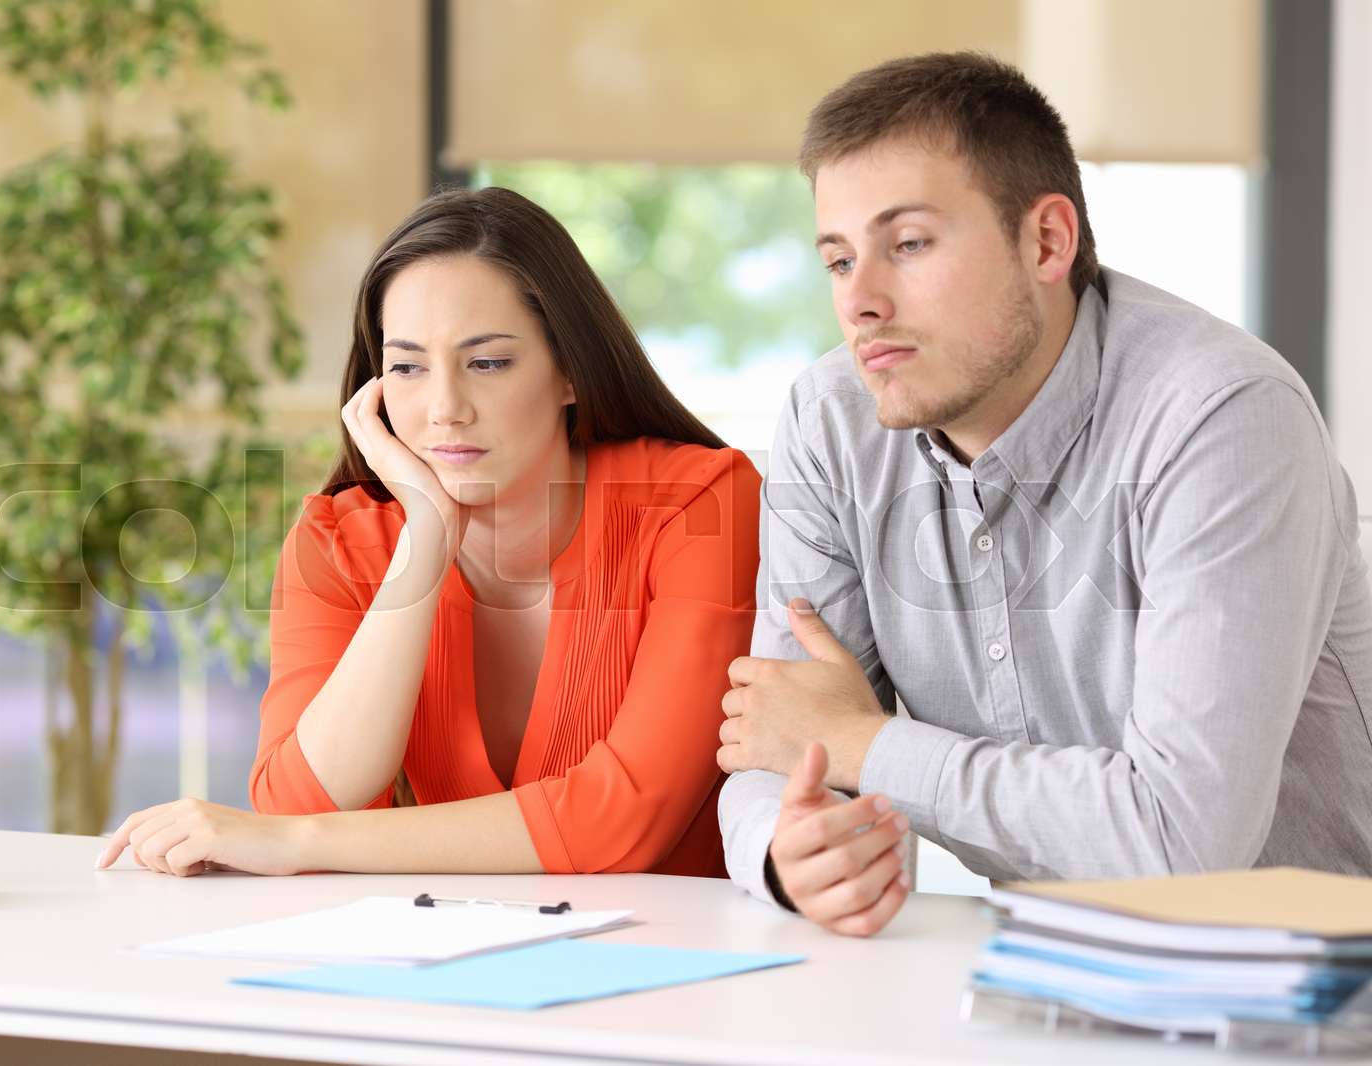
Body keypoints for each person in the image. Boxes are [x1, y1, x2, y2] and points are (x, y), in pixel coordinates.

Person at [715, 51, 1372, 936]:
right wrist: (786, 850)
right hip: (1040, 955)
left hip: (1310, 965)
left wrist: (865, 745)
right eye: (838, 260)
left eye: (908, 245)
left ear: (1047, 242)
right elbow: (775, 736)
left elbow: (1183, 844)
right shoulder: (833, 420)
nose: (859, 301)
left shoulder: (1222, 415)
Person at [97, 187, 760, 878]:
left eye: (488, 363)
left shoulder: (701, 503)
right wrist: (425, 538)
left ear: (570, 369)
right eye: (408, 367)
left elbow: (620, 823)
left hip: (682, 940)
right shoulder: (337, 540)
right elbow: (301, 798)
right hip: (447, 936)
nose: (445, 408)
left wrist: (300, 845)